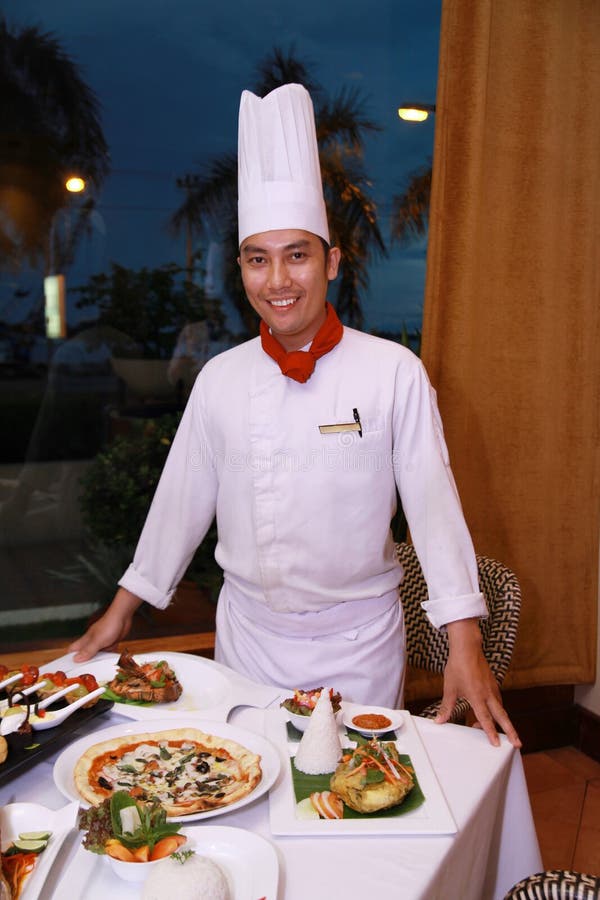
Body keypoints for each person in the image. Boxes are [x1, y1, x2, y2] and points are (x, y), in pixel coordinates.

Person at [71, 84, 520, 749]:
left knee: (354, 809)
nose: (277, 280)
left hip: (360, 644)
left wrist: (464, 640)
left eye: (297, 255)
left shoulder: (392, 371)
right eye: (259, 258)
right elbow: (182, 500)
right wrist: (120, 614)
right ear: (242, 270)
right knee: (246, 786)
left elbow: (432, 505)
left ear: (333, 262)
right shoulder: (221, 378)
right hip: (248, 641)